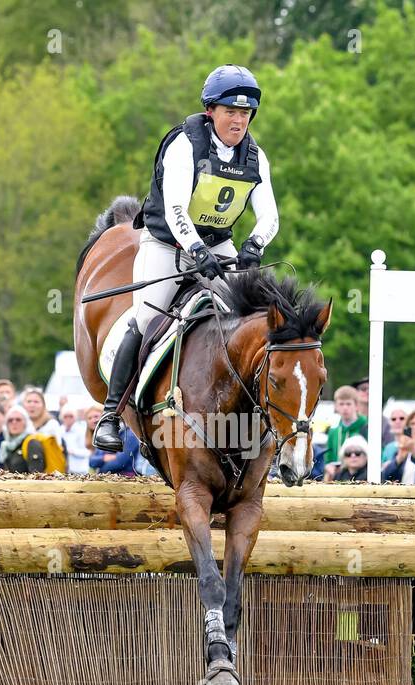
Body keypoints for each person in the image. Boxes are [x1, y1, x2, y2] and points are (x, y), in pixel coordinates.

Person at [96, 63, 278, 451]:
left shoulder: (255, 156)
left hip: (217, 246)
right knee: (147, 319)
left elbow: (270, 216)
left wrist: (254, 246)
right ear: (211, 111)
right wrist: (196, 251)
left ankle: (258, 428)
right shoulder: (185, 144)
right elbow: (177, 209)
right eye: (231, 111)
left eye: (245, 113)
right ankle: (112, 414)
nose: (238, 120)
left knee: (248, 322)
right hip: (167, 245)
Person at [382, 409, 415, 492]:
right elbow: (387, 475)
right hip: (402, 497)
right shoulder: (402, 447)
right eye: (412, 424)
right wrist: (399, 459)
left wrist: (414, 452)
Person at [324, 385, 368, 480]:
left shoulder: (367, 426)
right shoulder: (333, 431)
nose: (345, 408)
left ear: (356, 406)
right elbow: (328, 457)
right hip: (338, 477)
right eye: (341, 404)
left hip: (360, 477)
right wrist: (328, 466)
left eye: (348, 404)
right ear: (336, 406)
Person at [0, 407, 33, 473]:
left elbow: (37, 475)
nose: (14, 422)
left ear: (26, 423)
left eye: (18, 420)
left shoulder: (31, 443)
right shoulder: (6, 445)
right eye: (10, 420)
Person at [64, 403, 95, 474]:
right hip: (66, 470)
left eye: (70, 416)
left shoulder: (81, 430)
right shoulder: (60, 430)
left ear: (75, 417)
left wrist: (73, 451)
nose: (68, 418)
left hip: (81, 471)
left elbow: (88, 452)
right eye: (65, 416)